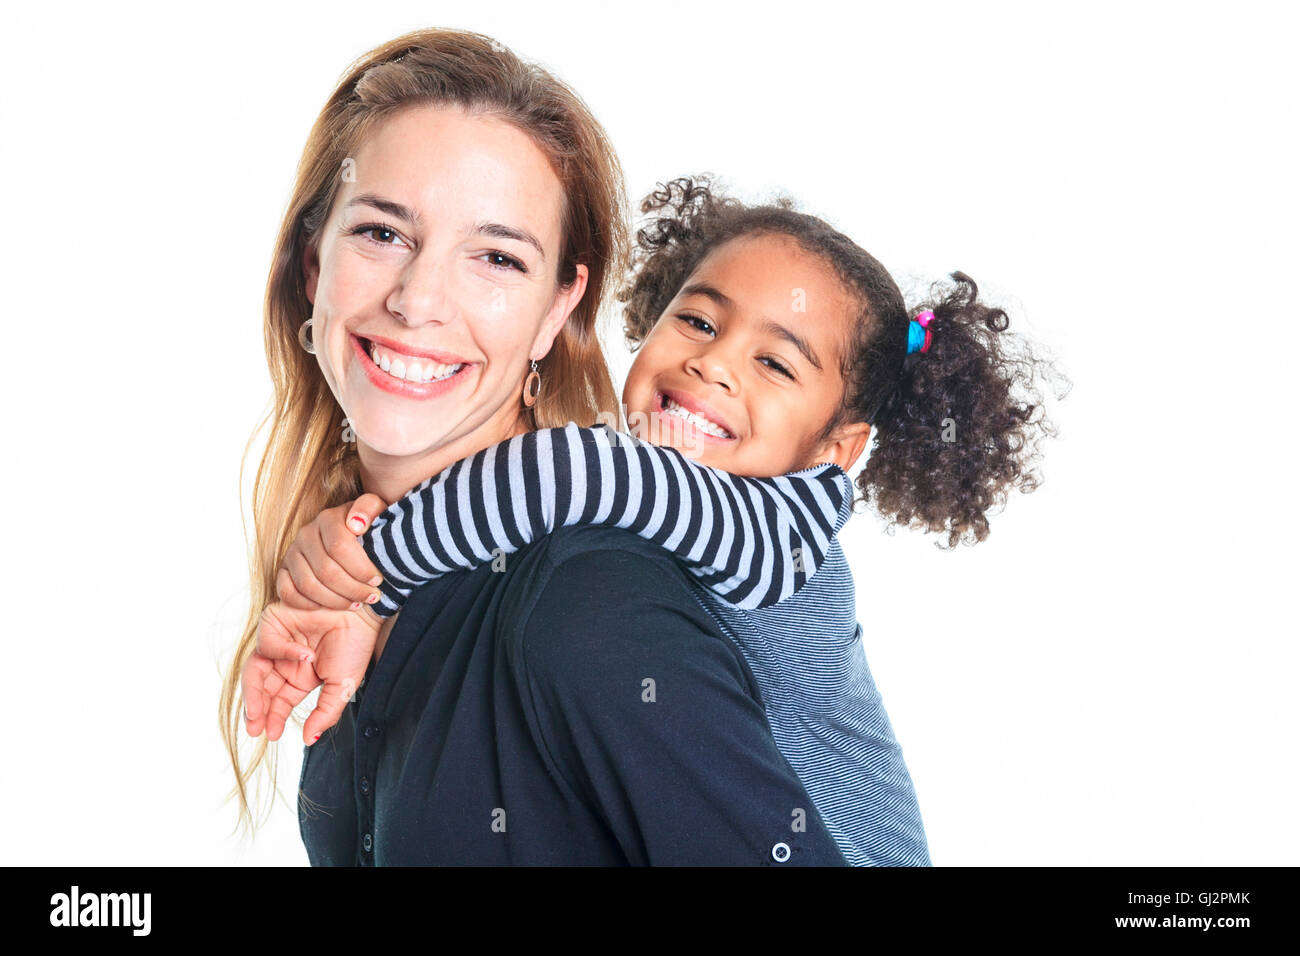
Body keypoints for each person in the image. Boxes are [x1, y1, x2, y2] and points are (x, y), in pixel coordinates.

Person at [247, 176, 1063, 864]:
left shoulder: (778, 536)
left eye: (775, 364)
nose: (712, 363)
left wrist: (369, 573)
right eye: (699, 322)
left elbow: (566, 475)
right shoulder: (652, 491)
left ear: (836, 449)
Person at [222, 29, 847, 865]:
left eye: (495, 257)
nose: (418, 301)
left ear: (559, 310)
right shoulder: (356, 606)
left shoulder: (587, 605)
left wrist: (371, 576)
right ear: (312, 259)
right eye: (381, 234)